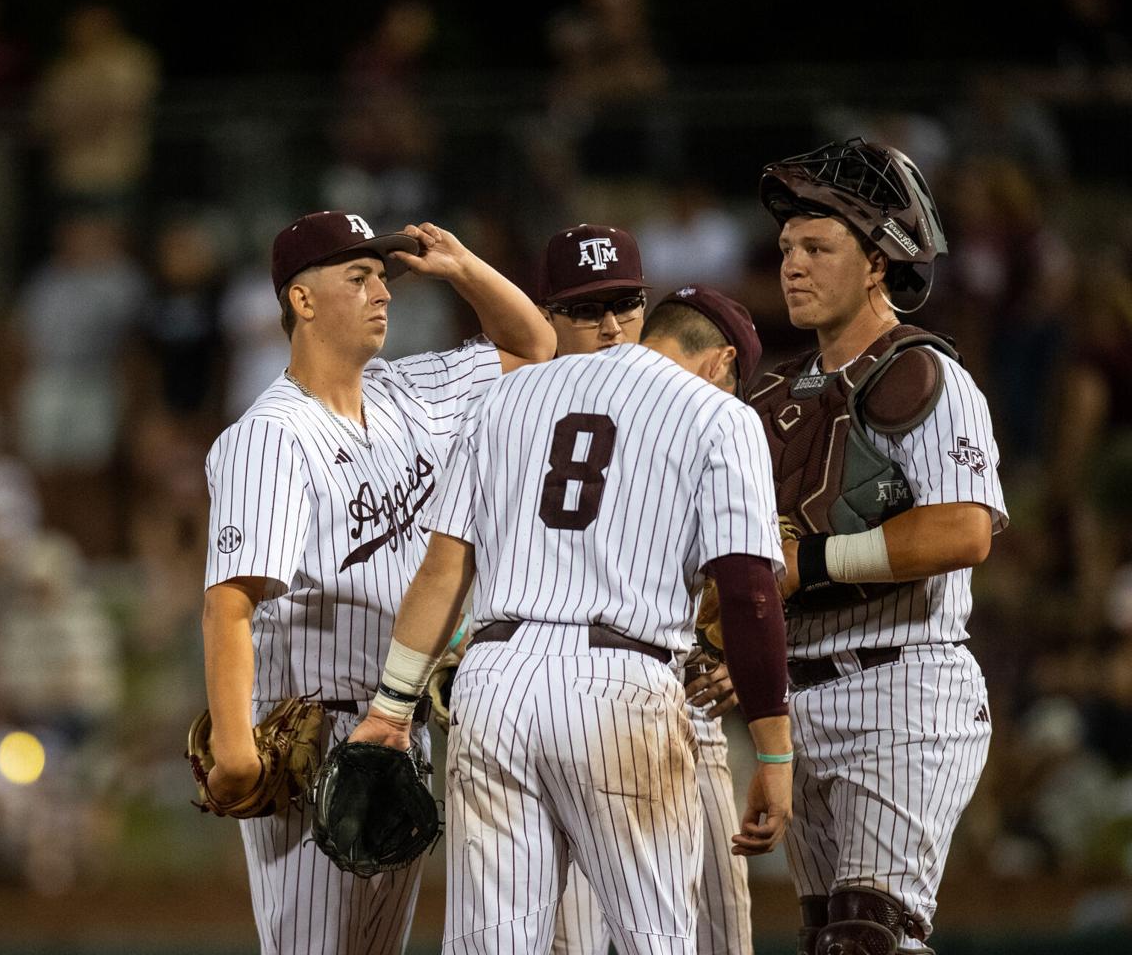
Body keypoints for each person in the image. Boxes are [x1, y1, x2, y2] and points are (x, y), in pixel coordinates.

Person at [350, 280, 794, 954]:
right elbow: (748, 591)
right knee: (656, 939)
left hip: (493, 681)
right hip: (620, 689)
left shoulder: (503, 396)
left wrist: (390, 706)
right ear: (722, 362)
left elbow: (443, 567)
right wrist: (774, 750)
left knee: (491, 944)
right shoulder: (716, 412)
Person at [199, 210, 555, 955]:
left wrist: (463, 268)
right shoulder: (270, 436)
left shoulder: (408, 391)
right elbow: (230, 599)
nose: (381, 293)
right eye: (357, 277)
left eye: (382, 278)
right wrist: (235, 750)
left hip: (401, 724)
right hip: (315, 739)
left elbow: (535, 345)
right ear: (302, 301)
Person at [749, 139, 1008, 954]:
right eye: (788, 246)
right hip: (801, 696)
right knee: (832, 937)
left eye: (819, 248)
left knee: (872, 938)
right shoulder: (779, 392)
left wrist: (812, 565)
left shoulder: (922, 373)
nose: (793, 263)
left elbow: (964, 531)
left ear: (876, 264)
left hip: (902, 684)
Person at [531, 224, 767, 955]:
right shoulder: (712, 420)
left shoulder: (521, 402)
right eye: (590, 310)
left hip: (588, 701)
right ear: (725, 365)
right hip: (627, 703)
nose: (610, 328)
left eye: (624, 308)